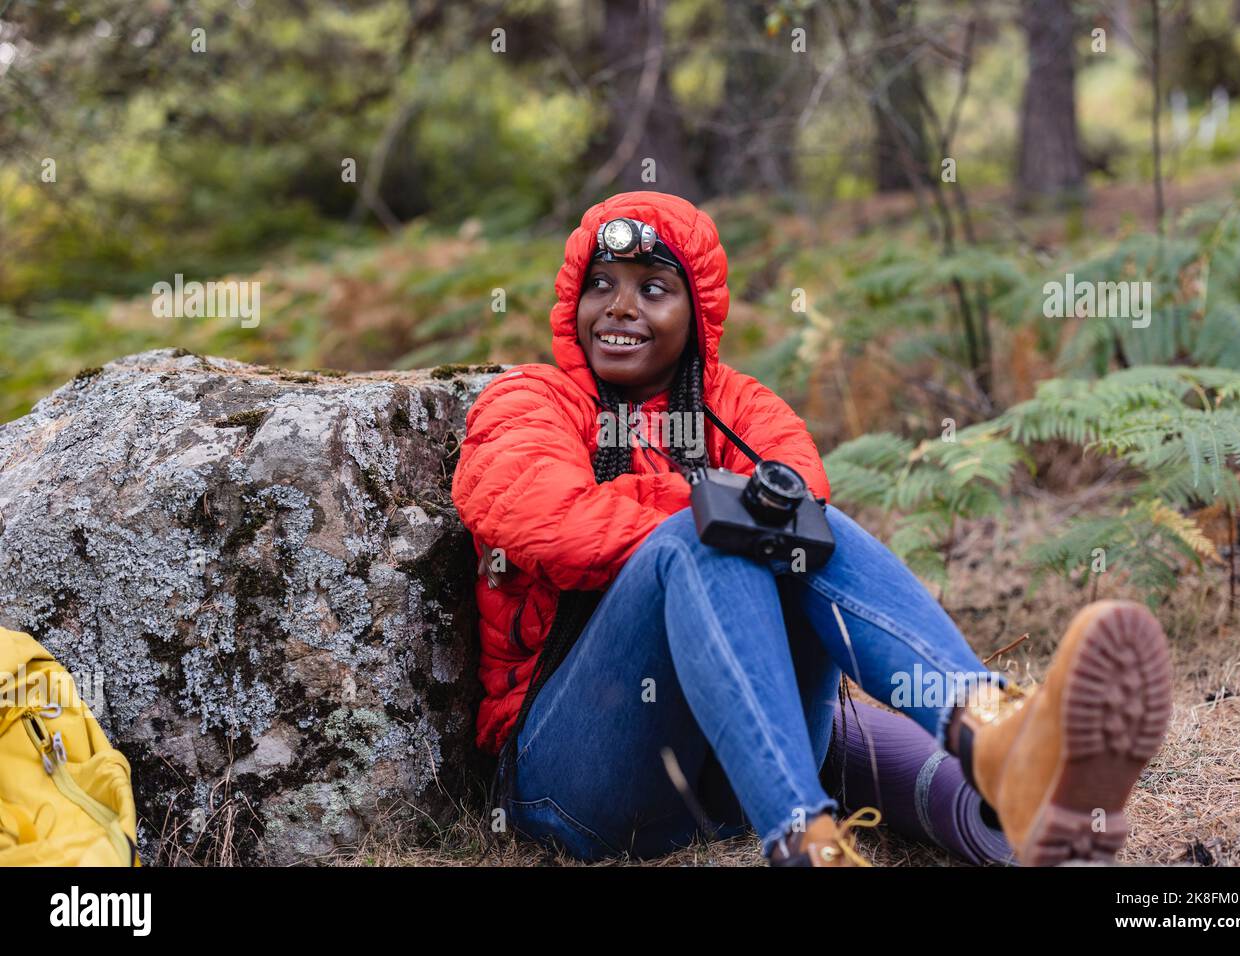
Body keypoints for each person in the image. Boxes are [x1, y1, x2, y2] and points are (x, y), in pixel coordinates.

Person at [450, 191, 1173, 867]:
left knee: (791, 526)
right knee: (710, 534)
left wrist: (723, 506)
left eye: (653, 288)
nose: (619, 308)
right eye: (600, 284)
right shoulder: (530, 400)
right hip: (579, 783)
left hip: (727, 785)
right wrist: (701, 502)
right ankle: (807, 838)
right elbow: (547, 522)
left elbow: (806, 505)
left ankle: (996, 738)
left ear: (696, 312)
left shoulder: (740, 407)